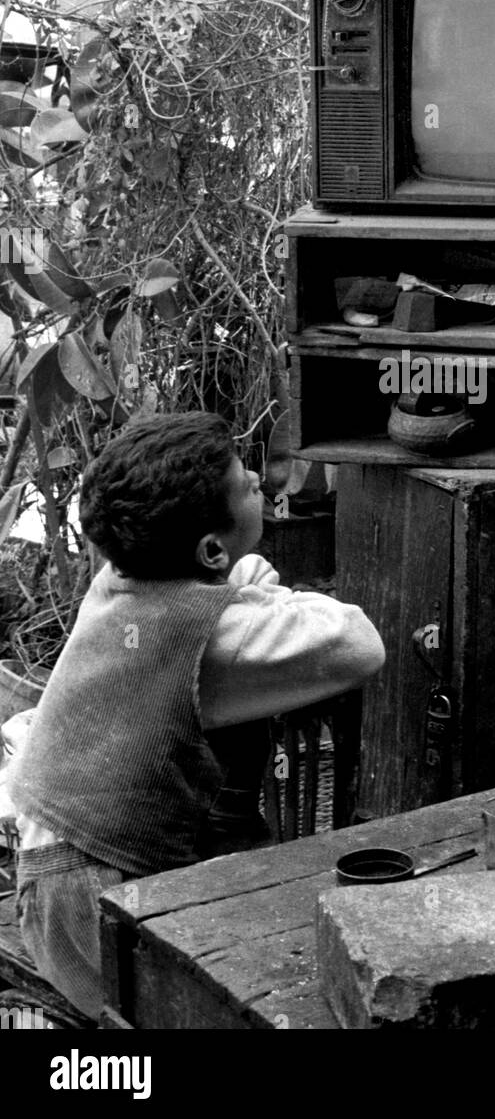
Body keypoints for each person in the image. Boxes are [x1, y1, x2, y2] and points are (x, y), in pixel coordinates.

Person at [8, 411, 385, 1020]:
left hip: (54, 873)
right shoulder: (206, 634)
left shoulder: (123, 578)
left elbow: (234, 581)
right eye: (245, 483)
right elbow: (357, 643)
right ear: (210, 548)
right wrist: (260, 597)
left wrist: (239, 582)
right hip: (91, 894)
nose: (259, 477)